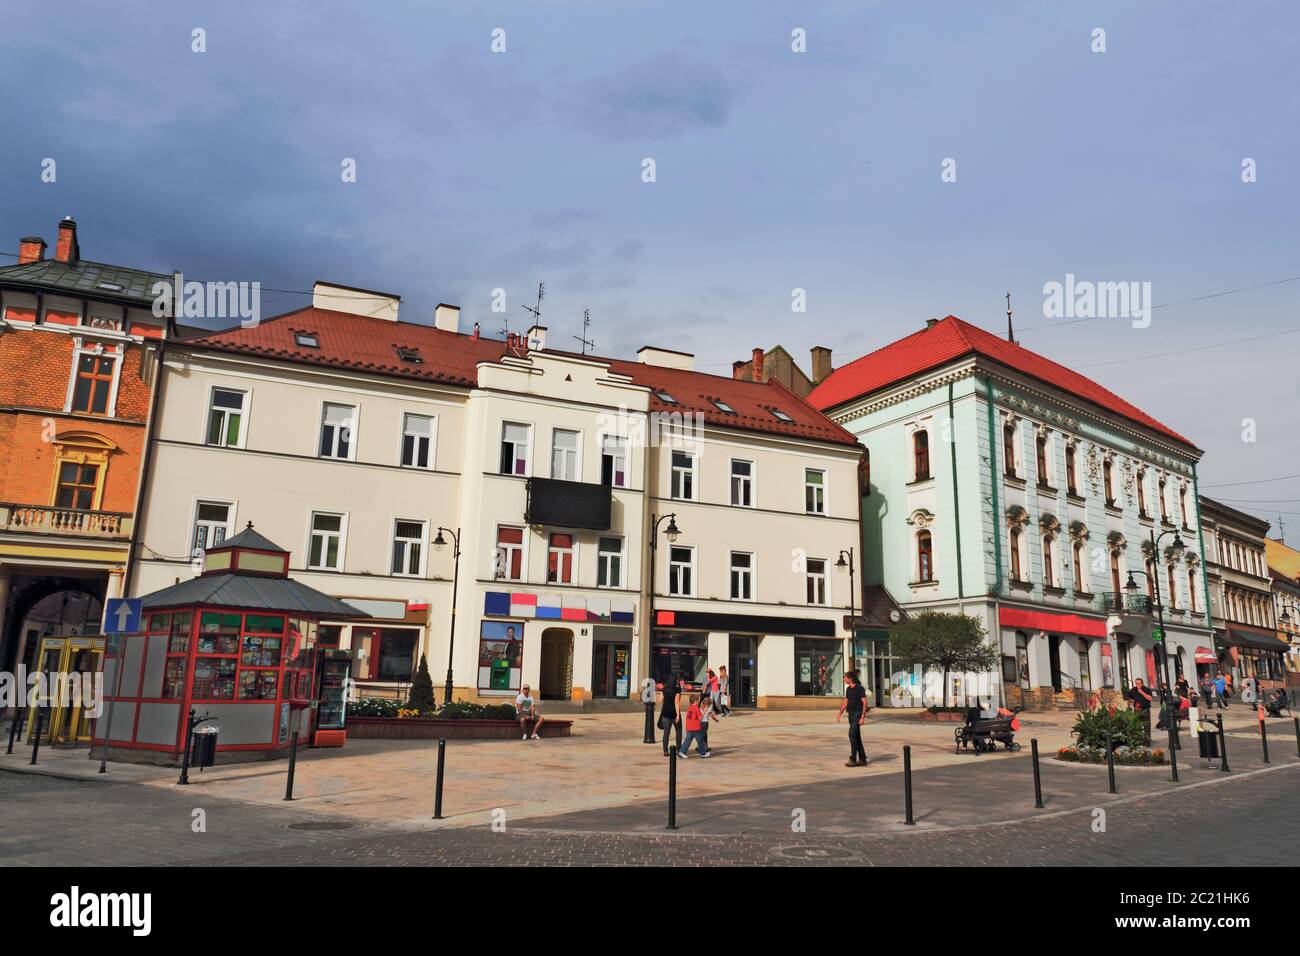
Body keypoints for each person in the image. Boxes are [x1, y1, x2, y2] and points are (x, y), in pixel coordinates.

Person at [836, 670, 869, 767]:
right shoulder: (848, 689)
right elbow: (846, 701)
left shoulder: (859, 689)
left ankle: (853, 759)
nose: (843, 679)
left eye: (845, 677)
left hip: (857, 714)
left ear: (850, 679)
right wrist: (840, 713)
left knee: (851, 735)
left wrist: (862, 717)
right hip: (851, 714)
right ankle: (862, 759)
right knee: (856, 737)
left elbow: (865, 703)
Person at [658, 672, 682, 756]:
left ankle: (665, 750)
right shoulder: (677, 689)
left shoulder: (664, 689)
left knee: (666, 733)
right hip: (674, 713)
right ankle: (679, 750)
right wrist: (678, 715)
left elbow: (660, 700)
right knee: (678, 732)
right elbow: (677, 703)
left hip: (665, 713)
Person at [640, 676, 658, 744]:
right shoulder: (648, 691)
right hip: (649, 706)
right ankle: (649, 738)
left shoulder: (649, 691)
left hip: (650, 706)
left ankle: (649, 738)